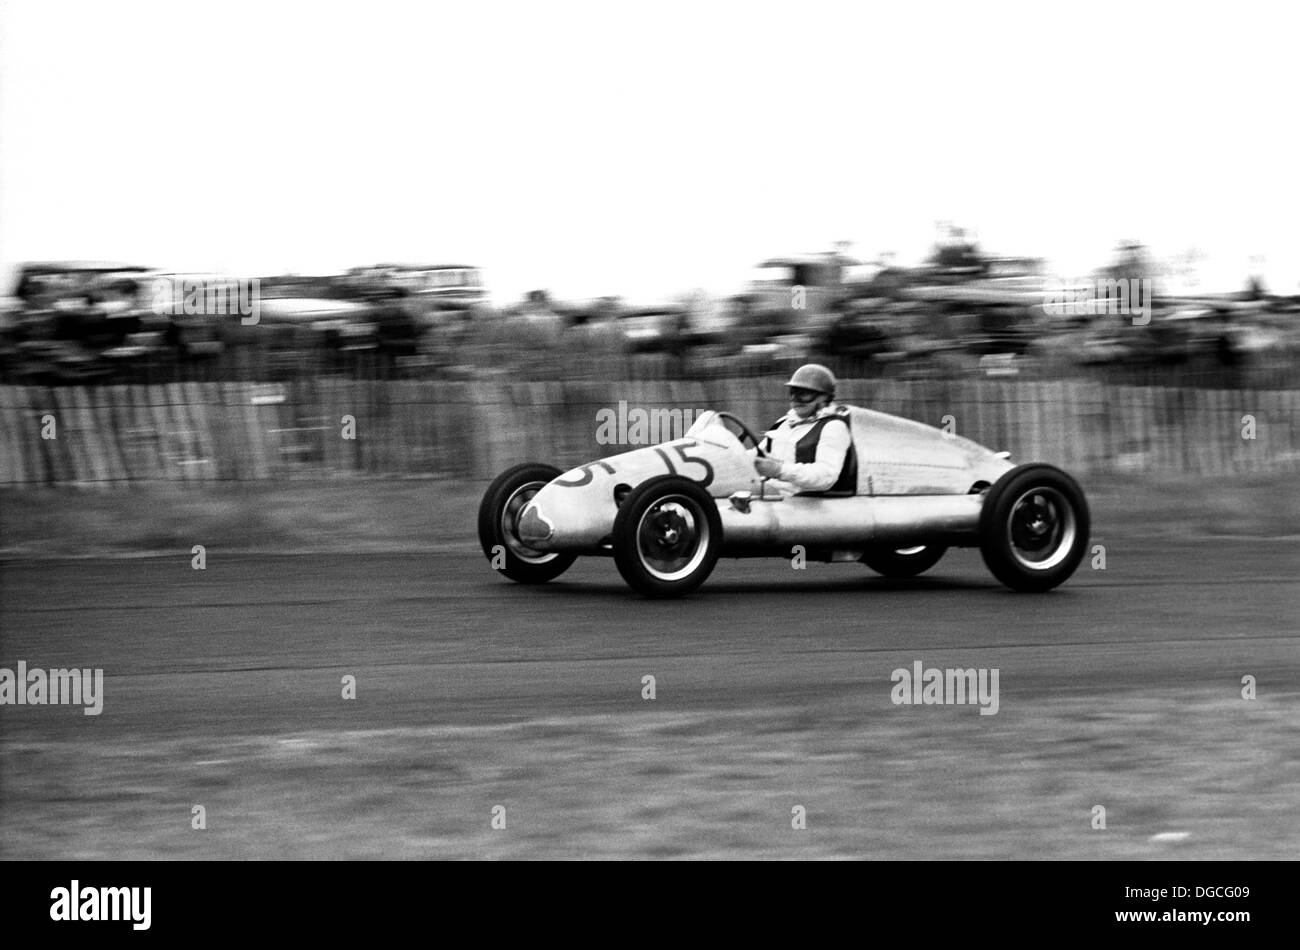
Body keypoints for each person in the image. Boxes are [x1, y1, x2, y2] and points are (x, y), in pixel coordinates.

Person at [752, 363, 854, 495]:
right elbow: (757, 454)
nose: (795, 400)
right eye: (793, 393)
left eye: (804, 394)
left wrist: (779, 470)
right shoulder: (784, 422)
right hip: (771, 496)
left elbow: (826, 475)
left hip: (805, 505)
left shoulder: (833, 427)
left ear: (824, 397)